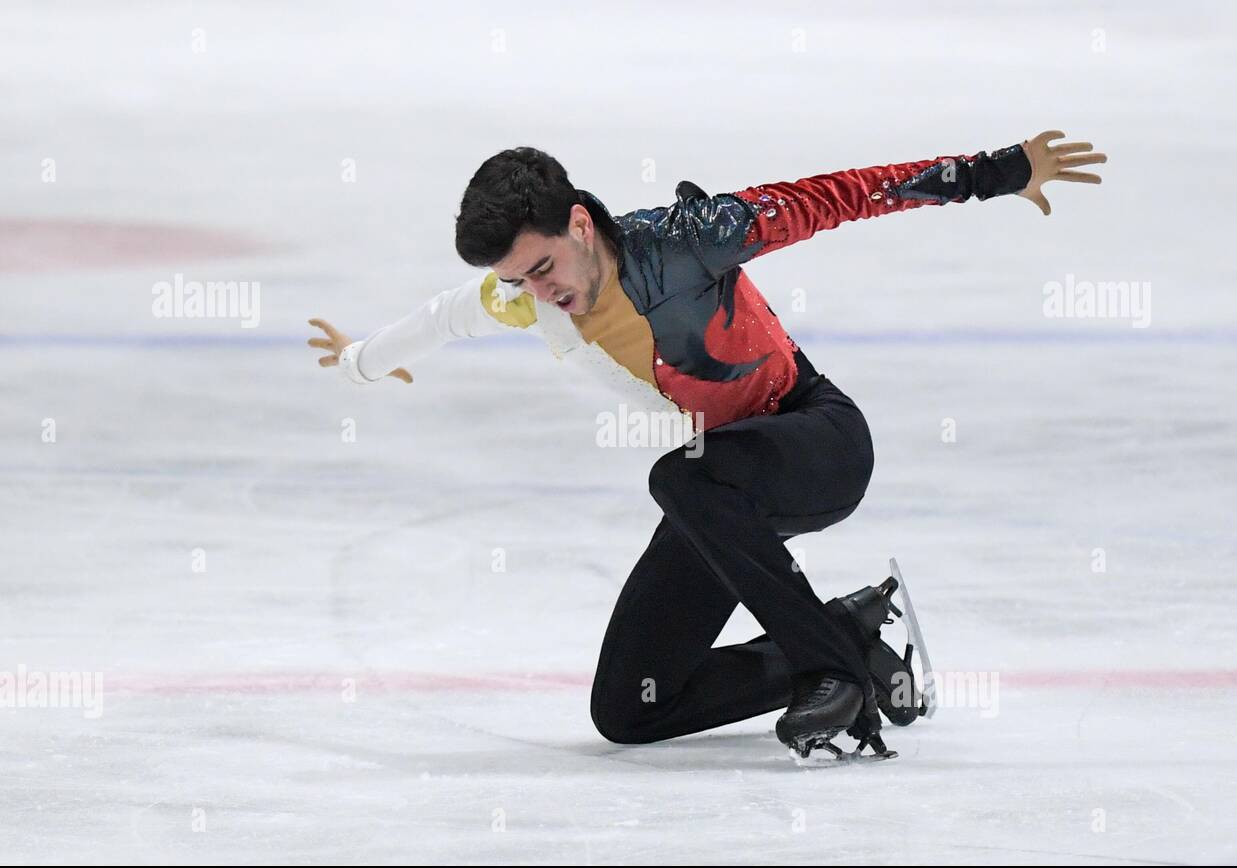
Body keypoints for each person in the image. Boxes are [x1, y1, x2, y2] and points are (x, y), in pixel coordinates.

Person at [308, 131, 1105, 758]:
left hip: (815, 438)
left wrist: (995, 171)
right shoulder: (531, 302)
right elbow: (447, 316)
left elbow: (837, 198)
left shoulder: (692, 240)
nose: (536, 291)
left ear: (581, 224)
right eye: (519, 281)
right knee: (631, 707)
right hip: (724, 486)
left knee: (679, 480)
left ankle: (835, 674)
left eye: (543, 267)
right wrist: (362, 364)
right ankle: (849, 643)